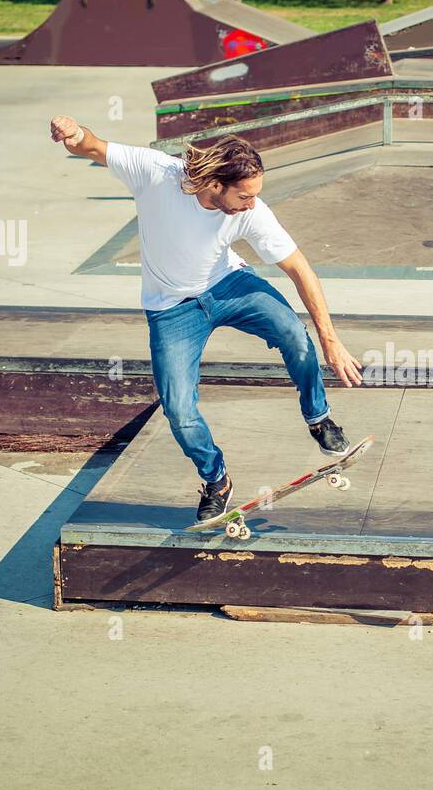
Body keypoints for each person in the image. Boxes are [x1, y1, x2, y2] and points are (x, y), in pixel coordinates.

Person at [49, 118, 362, 525]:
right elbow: (92, 147)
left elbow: (299, 268)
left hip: (229, 285)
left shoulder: (253, 212)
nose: (251, 204)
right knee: (178, 409)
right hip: (171, 309)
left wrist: (330, 340)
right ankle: (216, 480)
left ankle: (318, 419)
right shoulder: (156, 173)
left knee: (293, 333)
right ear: (215, 184)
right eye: (244, 196)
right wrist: (74, 135)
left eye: (255, 195)